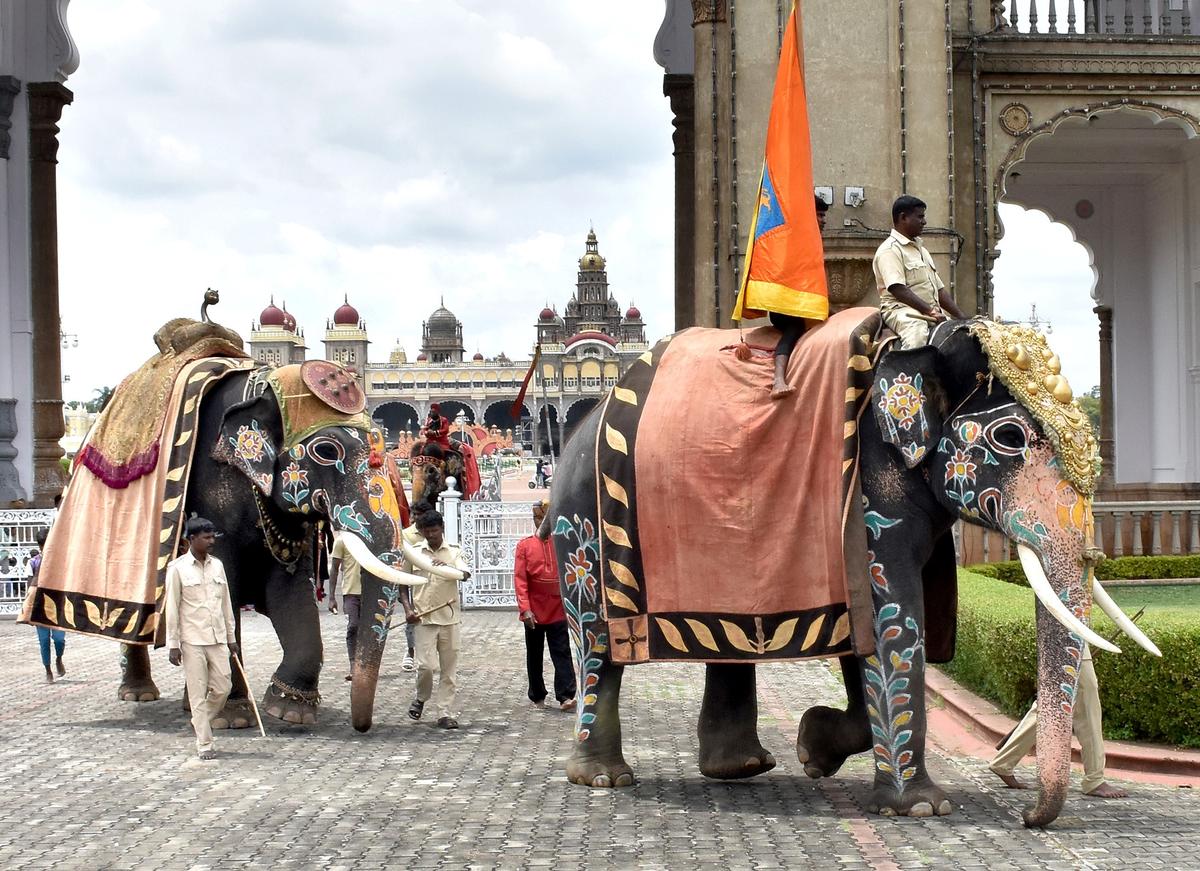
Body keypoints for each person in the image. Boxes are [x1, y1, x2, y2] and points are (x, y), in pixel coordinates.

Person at [989, 644, 1128, 799]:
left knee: (1054, 701)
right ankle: (1094, 779)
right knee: (1085, 700)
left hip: (1073, 633)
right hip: (1070, 633)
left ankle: (1004, 762)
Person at [165, 517, 238, 761]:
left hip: (217, 637)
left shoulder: (218, 566)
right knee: (197, 692)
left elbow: (226, 603)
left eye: (212, 536)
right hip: (192, 639)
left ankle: (200, 720)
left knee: (224, 686)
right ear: (191, 539)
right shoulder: (177, 569)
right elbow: (173, 608)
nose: (211, 541)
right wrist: (173, 644)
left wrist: (231, 636)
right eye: (206, 537)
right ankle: (204, 744)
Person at [754, 194, 831, 399]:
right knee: (794, 328)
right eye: (819, 215)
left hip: (806, 301)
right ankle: (778, 379)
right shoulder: (791, 241)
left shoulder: (812, 241)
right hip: (786, 302)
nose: (823, 220)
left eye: (824, 216)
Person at [404, 510, 471, 729]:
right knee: (425, 666)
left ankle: (445, 712)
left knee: (448, 669)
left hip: (449, 618)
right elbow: (402, 585)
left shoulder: (454, 551)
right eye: (427, 532)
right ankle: (421, 698)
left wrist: (446, 567)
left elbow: (465, 574)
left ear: (442, 528)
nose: (432, 535)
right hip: (424, 618)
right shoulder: (414, 553)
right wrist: (407, 609)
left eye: (435, 530)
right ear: (421, 532)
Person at [872, 195, 967, 349]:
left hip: (930, 313)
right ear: (903, 217)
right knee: (917, 337)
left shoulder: (922, 251)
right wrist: (929, 311)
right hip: (901, 311)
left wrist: (962, 318)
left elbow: (940, 290)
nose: (924, 221)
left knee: (961, 337)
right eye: (920, 216)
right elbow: (897, 289)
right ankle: (903, 372)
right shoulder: (889, 250)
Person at [514, 500, 576, 711]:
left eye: (545, 518)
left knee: (562, 651)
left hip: (558, 606)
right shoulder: (524, 545)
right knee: (535, 652)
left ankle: (566, 696)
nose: (542, 522)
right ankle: (537, 695)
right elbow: (520, 579)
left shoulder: (563, 542)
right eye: (538, 518)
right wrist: (525, 608)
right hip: (535, 607)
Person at [398, 499, 437, 672]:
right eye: (413, 514)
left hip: (434, 581)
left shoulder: (434, 532)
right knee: (413, 617)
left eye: (418, 515)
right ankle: (411, 651)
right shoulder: (406, 534)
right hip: (414, 581)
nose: (414, 518)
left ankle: (430, 652)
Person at [28, 527, 66, 684]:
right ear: (40, 546)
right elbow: (29, 585)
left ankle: (59, 658)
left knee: (59, 639)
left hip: (56, 606)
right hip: (39, 607)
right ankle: (48, 670)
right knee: (44, 640)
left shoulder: (59, 561)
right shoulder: (33, 562)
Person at [328, 531, 362, 681]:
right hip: (350, 592)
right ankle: (353, 665)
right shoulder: (341, 541)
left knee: (368, 630)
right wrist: (331, 597)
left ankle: (365, 666)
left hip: (370, 591)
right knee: (353, 626)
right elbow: (334, 569)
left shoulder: (370, 538)